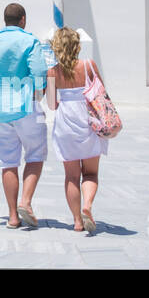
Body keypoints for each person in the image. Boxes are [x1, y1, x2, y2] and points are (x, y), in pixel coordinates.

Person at [0, 3, 47, 229]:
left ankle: (13, 216)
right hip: (26, 106)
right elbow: (40, 71)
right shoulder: (30, 40)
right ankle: (26, 202)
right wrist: (40, 92)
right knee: (35, 155)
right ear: (23, 19)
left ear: (4, 20)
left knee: (8, 162)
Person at [47, 27, 106, 234]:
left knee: (71, 176)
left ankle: (77, 222)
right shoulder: (89, 65)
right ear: (77, 45)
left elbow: (52, 105)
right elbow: (101, 93)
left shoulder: (52, 72)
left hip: (66, 123)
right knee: (90, 173)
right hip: (89, 121)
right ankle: (87, 205)